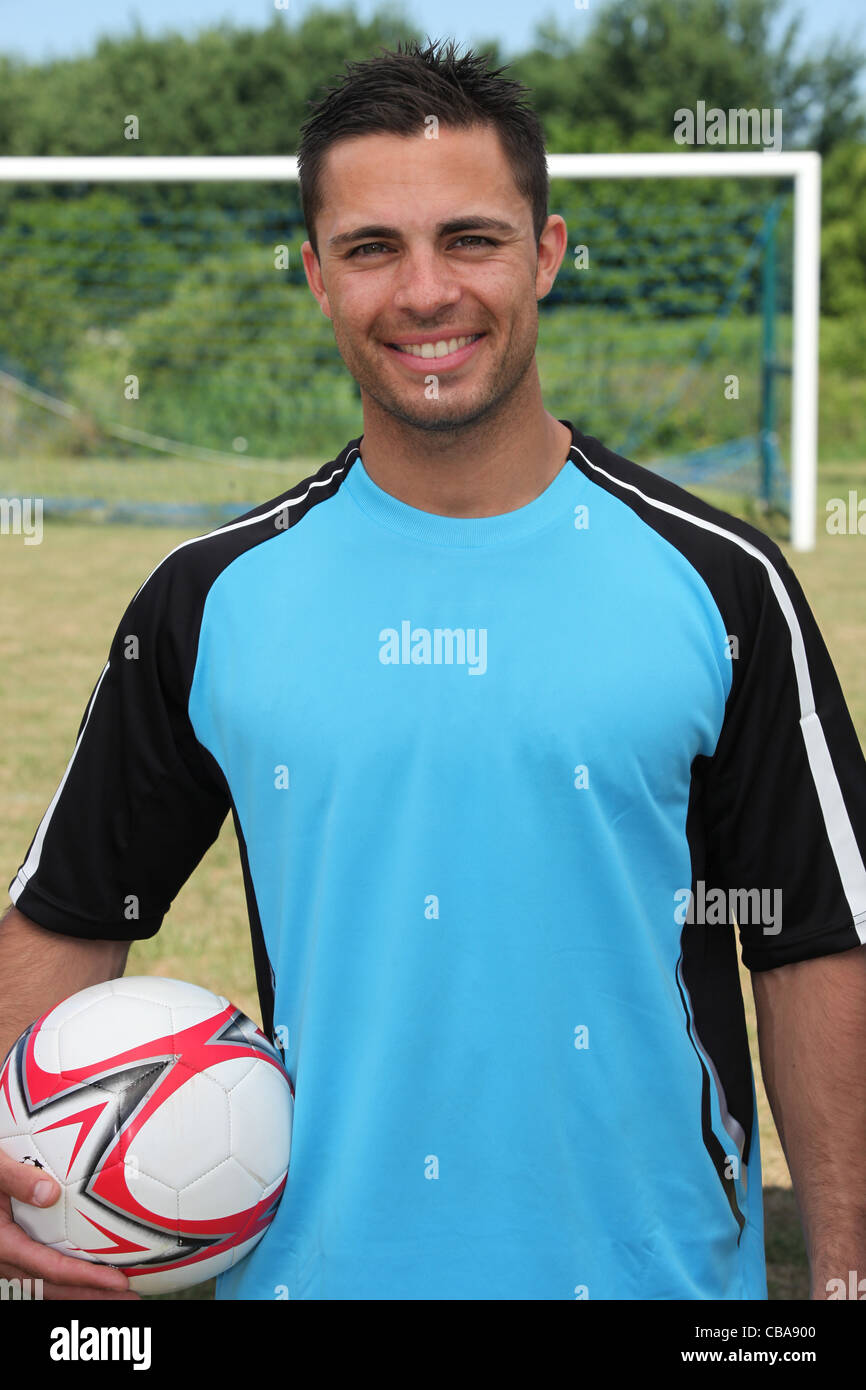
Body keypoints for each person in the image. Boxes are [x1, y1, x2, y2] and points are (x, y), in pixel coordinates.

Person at [2, 38, 865, 1302]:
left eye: (469, 239)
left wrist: (841, 1273)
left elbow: (812, 942)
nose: (424, 292)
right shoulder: (205, 600)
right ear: (313, 276)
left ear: (547, 251)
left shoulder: (722, 581)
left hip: (658, 1287)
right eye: (369, 248)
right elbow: (73, 908)